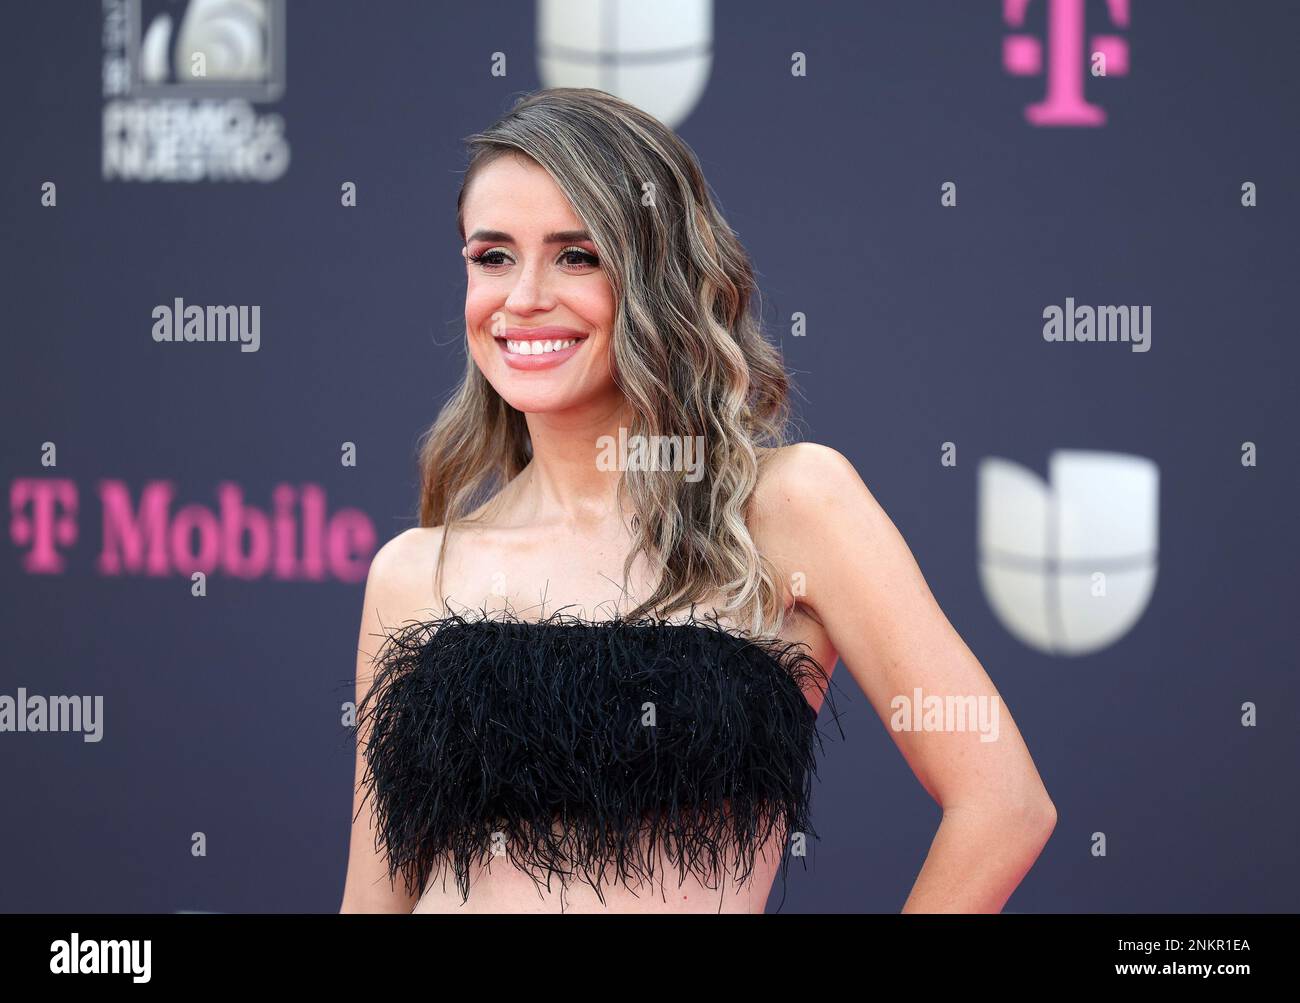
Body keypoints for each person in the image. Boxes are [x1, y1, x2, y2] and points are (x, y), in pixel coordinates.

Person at [338, 87, 1055, 914]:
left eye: (578, 255)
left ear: (656, 276)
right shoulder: (413, 571)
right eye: (492, 256)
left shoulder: (792, 506)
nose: (524, 297)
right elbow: (375, 896)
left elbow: (1003, 804)